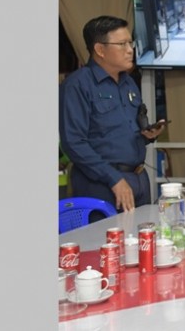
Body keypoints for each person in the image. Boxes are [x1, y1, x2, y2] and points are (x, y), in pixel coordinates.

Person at [59, 15, 166, 218]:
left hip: (138, 179)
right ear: (100, 50)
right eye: (122, 44)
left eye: (130, 42)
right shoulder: (78, 85)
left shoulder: (129, 83)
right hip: (102, 185)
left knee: (143, 243)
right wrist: (114, 179)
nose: (130, 49)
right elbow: (74, 143)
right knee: (106, 247)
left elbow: (120, 133)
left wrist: (147, 136)